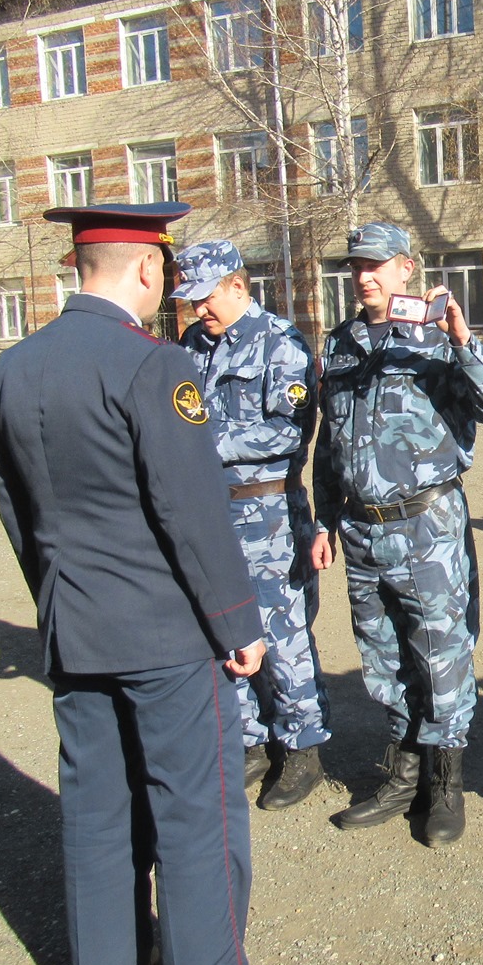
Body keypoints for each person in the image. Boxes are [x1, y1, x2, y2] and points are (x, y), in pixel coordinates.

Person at [0, 202, 307, 965]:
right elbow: (192, 511)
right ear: (148, 269)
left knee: (96, 805)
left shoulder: (15, 368)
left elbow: (18, 514)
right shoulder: (152, 365)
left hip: (75, 627)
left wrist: (56, 602)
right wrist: (239, 624)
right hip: (165, 636)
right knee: (195, 807)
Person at [311, 222, 483, 843]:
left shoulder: (437, 341)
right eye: (355, 267)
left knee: (441, 655)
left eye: (376, 265)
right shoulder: (341, 343)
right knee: (383, 657)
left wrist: (462, 340)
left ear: (407, 269)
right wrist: (323, 518)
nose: (364, 276)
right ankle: (402, 776)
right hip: (363, 530)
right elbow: (331, 442)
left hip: (426, 526)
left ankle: (445, 784)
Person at [174, 241, 329, 810]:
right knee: (223, 626)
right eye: (190, 301)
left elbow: (291, 434)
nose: (198, 312)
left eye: (206, 298)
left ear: (238, 286)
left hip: (267, 511)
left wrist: (197, 447)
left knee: (280, 632)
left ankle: (303, 746)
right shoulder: (193, 345)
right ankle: (251, 741)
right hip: (209, 510)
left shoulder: (280, 344)